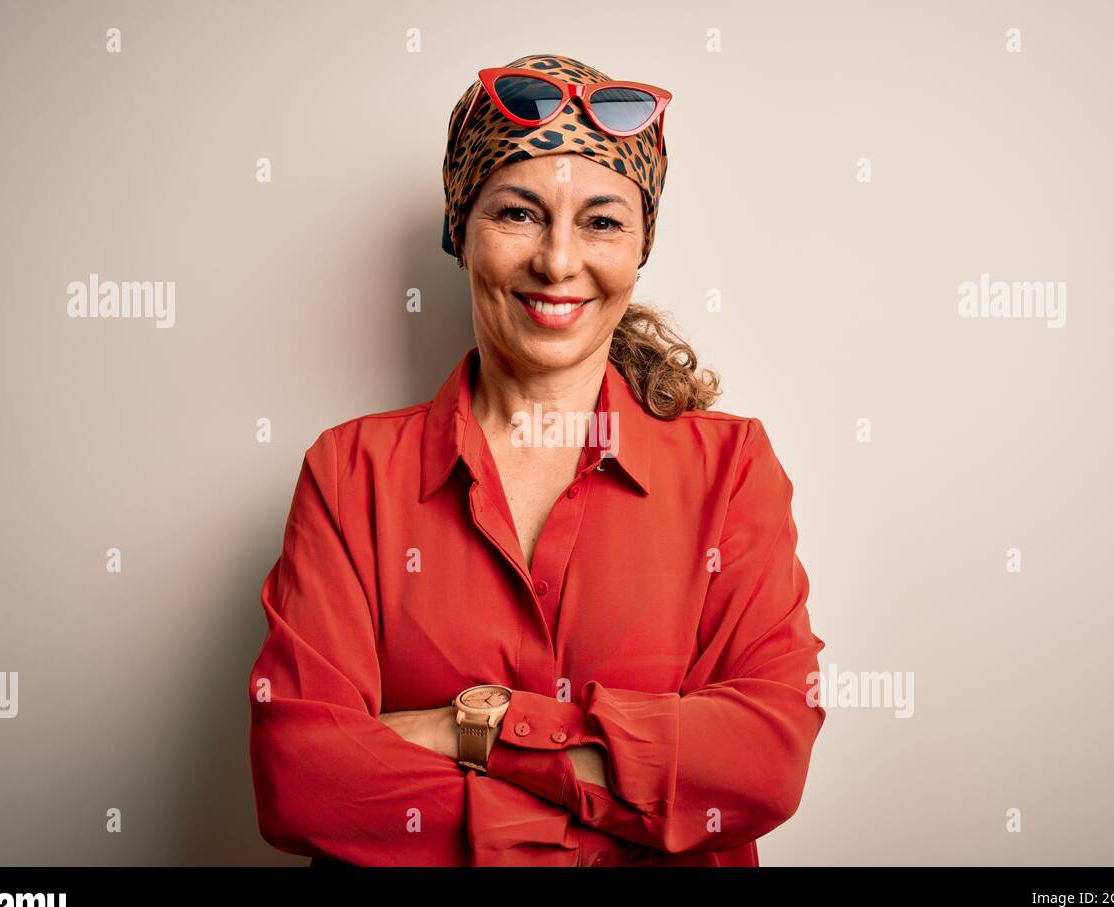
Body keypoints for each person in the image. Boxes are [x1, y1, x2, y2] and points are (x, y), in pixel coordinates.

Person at [247, 52, 827, 866]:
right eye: (518, 214)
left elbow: (763, 764)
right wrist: (611, 806)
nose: (558, 261)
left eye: (601, 221)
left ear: (639, 248)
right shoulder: (351, 474)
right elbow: (303, 779)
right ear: (461, 231)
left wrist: (470, 728)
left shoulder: (731, 472)